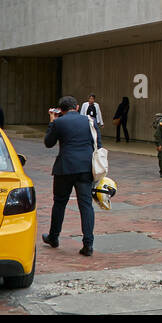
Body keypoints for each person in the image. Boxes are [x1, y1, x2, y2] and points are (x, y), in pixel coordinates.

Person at [42, 96, 99, 256]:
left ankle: (54, 237)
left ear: (60, 110)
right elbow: (98, 144)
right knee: (86, 205)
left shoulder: (59, 122)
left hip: (64, 168)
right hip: (86, 168)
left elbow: (48, 142)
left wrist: (52, 121)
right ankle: (88, 244)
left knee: (59, 203)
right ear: (78, 106)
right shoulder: (90, 121)